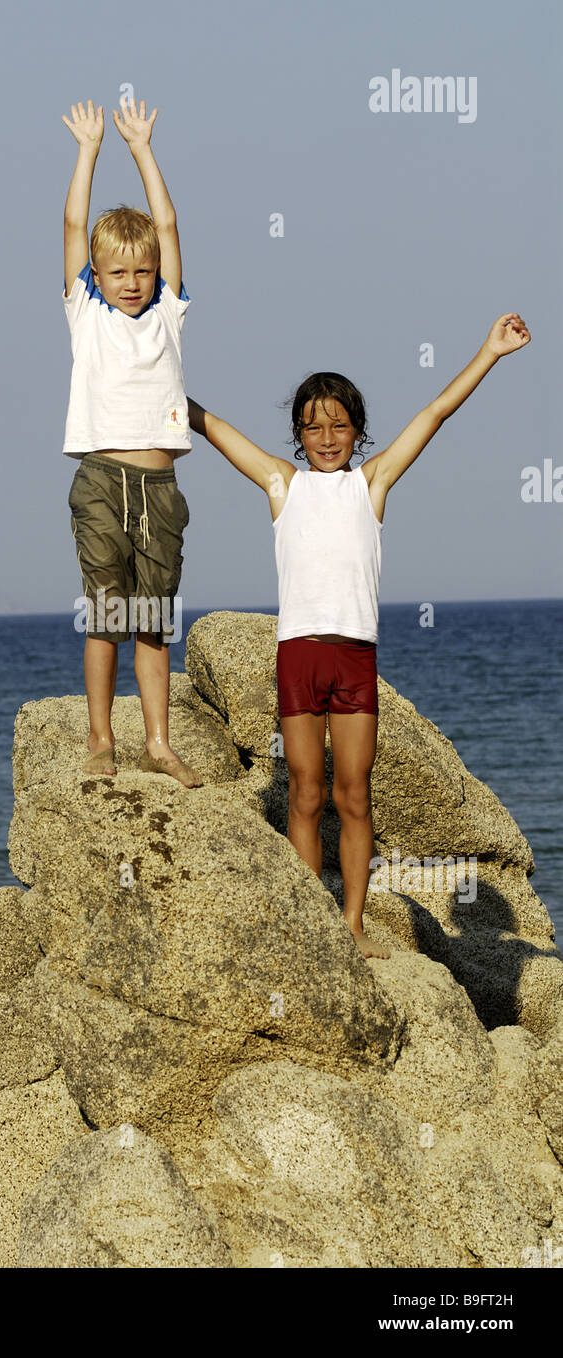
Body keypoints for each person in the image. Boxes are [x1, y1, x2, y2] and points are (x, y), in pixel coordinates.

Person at [188, 313, 531, 956]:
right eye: (313, 426)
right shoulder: (281, 485)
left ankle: (351, 923)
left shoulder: (370, 484)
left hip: (353, 660)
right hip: (299, 657)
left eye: (338, 424)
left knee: (353, 794)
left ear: (357, 430)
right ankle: (307, 923)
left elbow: (435, 413)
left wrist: (490, 350)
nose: (326, 436)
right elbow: (215, 430)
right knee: (304, 790)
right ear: (297, 434)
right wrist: (167, 393)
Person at [61, 96, 200, 785]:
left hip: (159, 486)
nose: (132, 283)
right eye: (118, 273)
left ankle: (157, 742)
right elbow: (73, 224)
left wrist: (143, 148)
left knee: (153, 622)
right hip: (101, 480)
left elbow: (167, 223)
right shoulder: (87, 315)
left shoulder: (168, 312)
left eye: (141, 271)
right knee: (105, 616)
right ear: (97, 276)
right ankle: (98, 740)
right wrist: (89, 151)